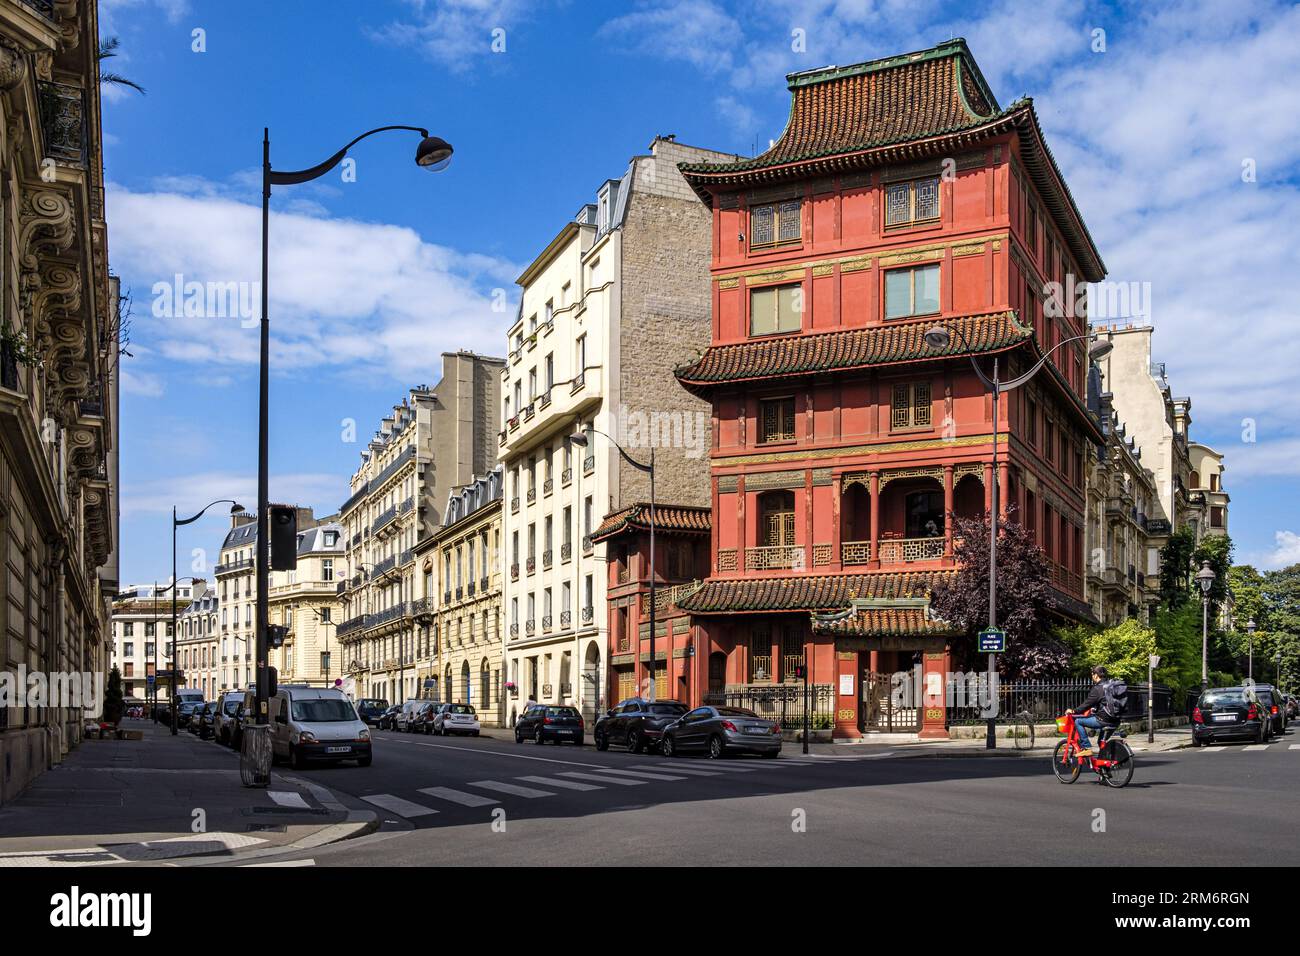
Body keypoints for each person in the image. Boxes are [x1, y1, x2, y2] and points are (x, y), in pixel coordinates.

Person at [1066, 665, 1119, 757]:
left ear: (1096, 675)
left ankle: (1086, 748)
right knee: (1101, 743)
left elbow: (1087, 704)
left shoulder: (1098, 688)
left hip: (1104, 720)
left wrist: (1074, 711)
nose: (1092, 676)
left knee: (1078, 721)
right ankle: (1105, 767)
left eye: (1092, 674)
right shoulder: (1112, 686)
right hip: (1116, 720)